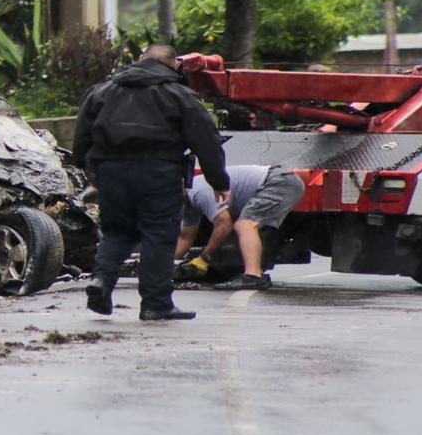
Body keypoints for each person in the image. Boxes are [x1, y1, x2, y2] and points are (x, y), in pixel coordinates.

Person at [73, 43, 230, 321]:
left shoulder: (102, 91)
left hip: (111, 171)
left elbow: (82, 137)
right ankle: (156, 304)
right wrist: (218, 180)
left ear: (140, 60)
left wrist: (92, 173)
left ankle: (101, 281)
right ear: (173, 65)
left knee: (117, 231)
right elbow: (206, 140)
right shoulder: (180, 94)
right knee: (159, 234)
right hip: (159, 172)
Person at [174, 165, 306, 290]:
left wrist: (204, 257)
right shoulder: (188, 203)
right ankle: (257, 273)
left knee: (245, 225)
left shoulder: (198, 192)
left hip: (279, 182)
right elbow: (185, 238)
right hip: (279, 181)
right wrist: (162, 267)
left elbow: (224, 225)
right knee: (243, 227)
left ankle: (253, 276)